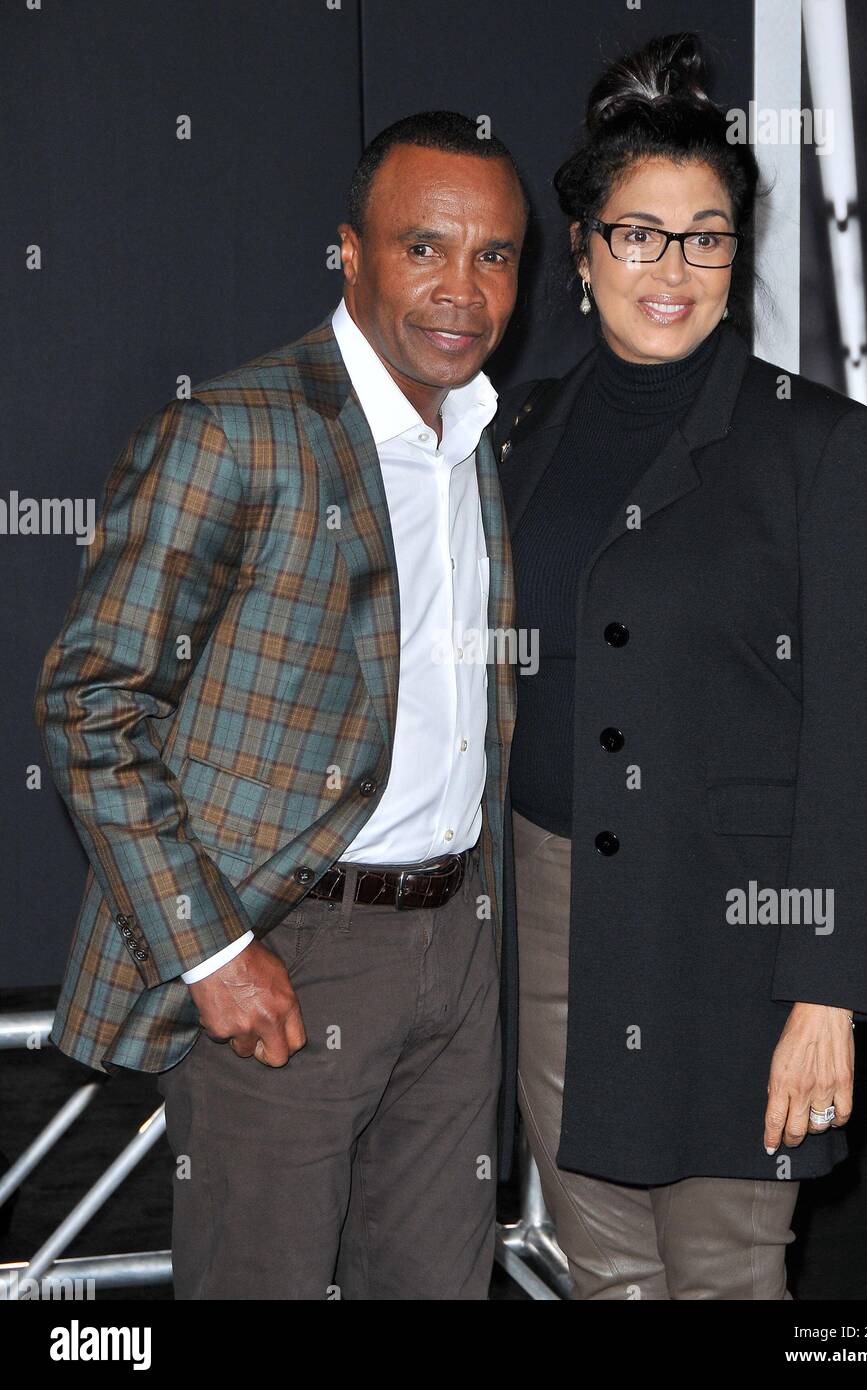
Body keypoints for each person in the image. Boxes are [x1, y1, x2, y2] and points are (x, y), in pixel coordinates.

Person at [34, 110, 528, 1300]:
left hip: (456, 943)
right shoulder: (234, 432)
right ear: (350, 253)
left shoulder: (478, 436)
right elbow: (91, 702)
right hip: (284, 944)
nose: (462, 289)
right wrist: (213, 951)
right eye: (425, 248)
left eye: (496, 256)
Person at [493, 33, 867, 1299]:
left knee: (728, 1272)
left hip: (739, 935)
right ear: (580, 250)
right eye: (638, 233)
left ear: (740, 253)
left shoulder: (825, 450)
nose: (670, 269)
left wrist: (827, 994)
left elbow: (855, 740)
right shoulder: (520, 435)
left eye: (706, 236)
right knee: (604, 1272)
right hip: (558, 915)